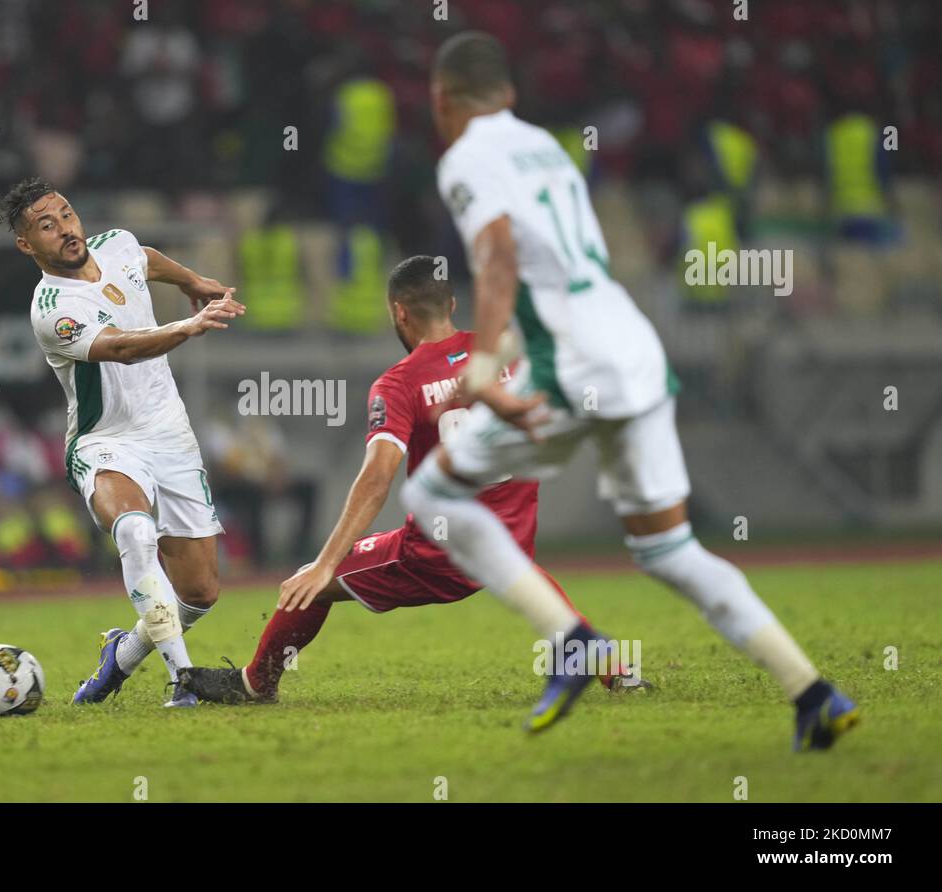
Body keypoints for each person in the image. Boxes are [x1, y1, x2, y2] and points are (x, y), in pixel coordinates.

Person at [399, 32, 858, 749]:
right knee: (669, 550)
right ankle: (813, 692)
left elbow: (496, 260)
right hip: (635, 352)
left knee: (430, 494)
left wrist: (484, 372)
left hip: (578, 366)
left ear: (441, 100)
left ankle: (568, 641)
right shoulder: (547, 148)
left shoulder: (465, 157)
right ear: (511, 95)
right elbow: (562, 276)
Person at [179, 256, 640, 704]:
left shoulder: (398, 384)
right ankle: (613, 666)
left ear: (398, 312)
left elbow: (378, 477)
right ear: (452, 305)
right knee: (521, 571)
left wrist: (324, 561)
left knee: (309, 583)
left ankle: (256, 684)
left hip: (436, 555)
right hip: (509, 534)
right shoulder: (504, 353)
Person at [0, 177, 245, 708]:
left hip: (170, 434)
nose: (65, 229)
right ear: (27, 245)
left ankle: (121, 656)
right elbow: (125, 348)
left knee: (199, 594)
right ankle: (184, 680)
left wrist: (192, 280)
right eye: (46, 225)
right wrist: (191, 325)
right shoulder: (52, 309)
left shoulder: (117, 244)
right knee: (133, 530)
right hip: (105, 439)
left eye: (66, 214)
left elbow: (145, 258)